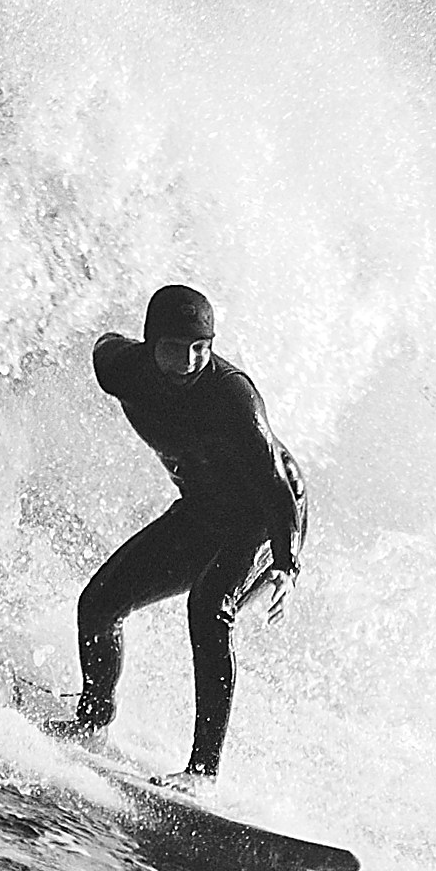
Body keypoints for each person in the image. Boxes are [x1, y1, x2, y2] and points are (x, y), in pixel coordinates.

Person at [59, 282, 304, 785]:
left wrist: (286, 563)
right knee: (99, 604)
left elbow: (277, 486)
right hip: (204, 510)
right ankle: (91, 719)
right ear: (151, 345)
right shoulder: (120, 369)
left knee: (209, 608)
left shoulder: (234, 396)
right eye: (175, 348)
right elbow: (103, 343)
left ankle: (202, 772)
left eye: (202, 348)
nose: (190, 361)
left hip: (265, 513)